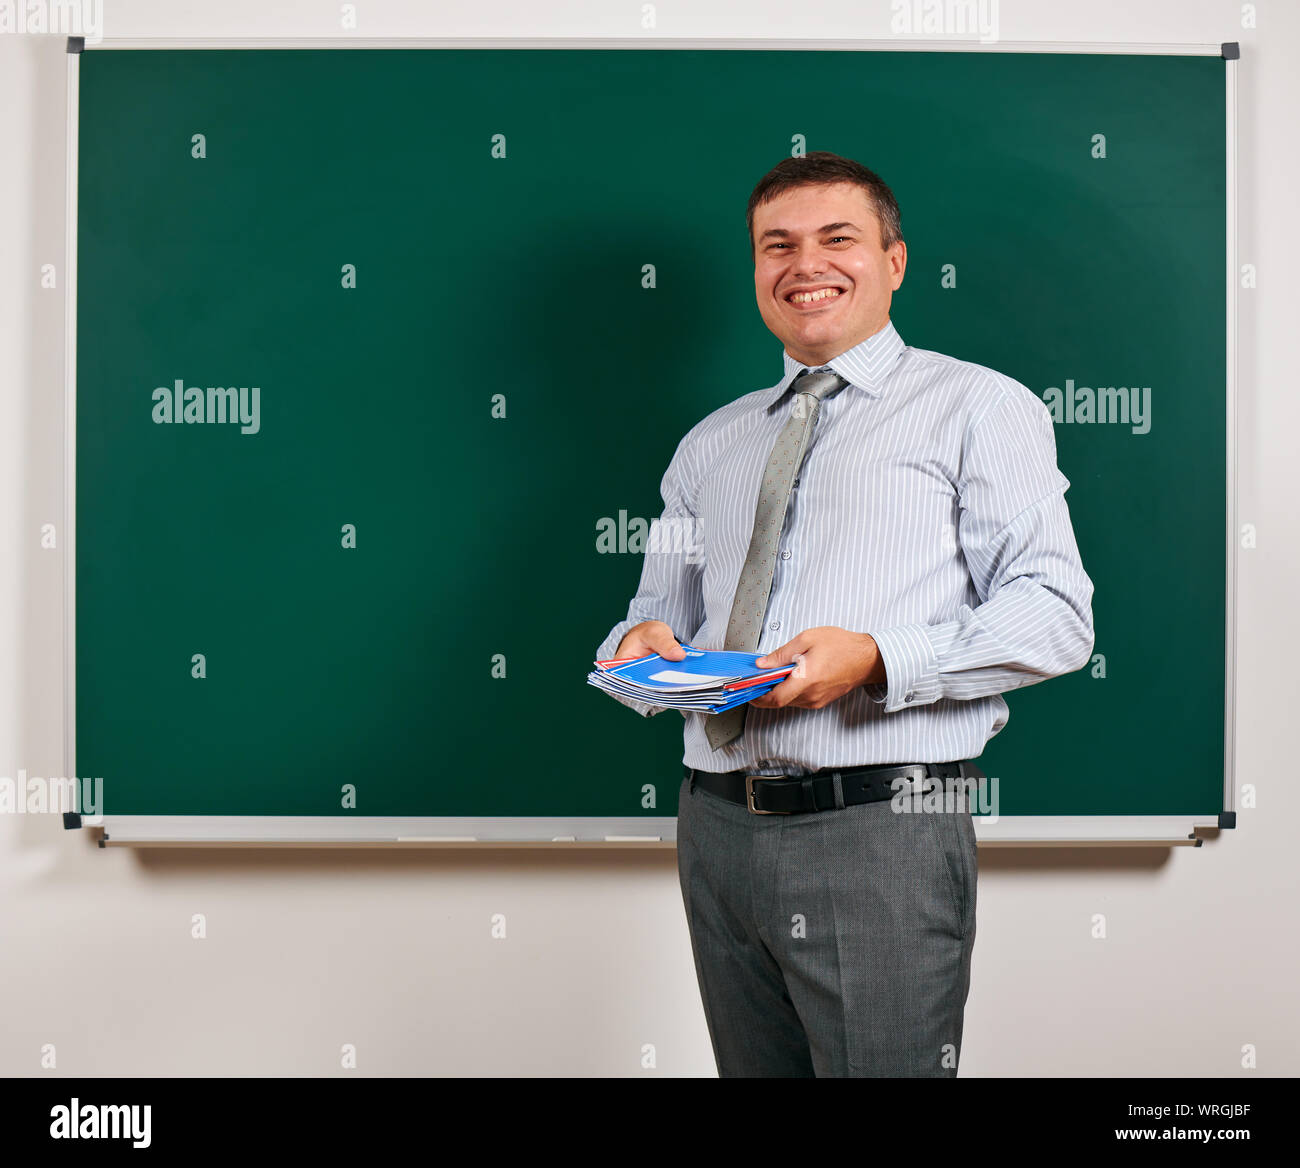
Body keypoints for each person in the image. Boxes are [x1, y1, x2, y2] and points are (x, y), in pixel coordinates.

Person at [593, 152, 1095, 1077]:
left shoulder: (979, 407)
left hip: (881, 831)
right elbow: (650, 613)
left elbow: (1056, 614)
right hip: (714, 829)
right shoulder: (709, 443)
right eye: (775, 245)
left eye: (837, 239)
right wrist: (637, 646)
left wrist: (873, 659)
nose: (803, 264)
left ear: (895, 262)